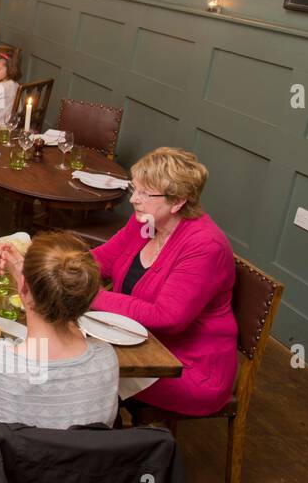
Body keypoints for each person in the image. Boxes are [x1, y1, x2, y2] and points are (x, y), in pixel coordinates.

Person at [0, 234, 119, 442]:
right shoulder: (106, 358)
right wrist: (27, 276)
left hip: (3, 474)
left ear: (24, 289)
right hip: (79, 473)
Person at [90, 147, 237, 415]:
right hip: (138, 342)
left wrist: (88, 296)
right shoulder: (147, 222)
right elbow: (101, 260)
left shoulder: (205, 246)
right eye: (134, 189)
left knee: (81, 369)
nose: (134, 199)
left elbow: (167, 317)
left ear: (178, 201)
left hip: (184, 367)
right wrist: (54, 267)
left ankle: (98, 445)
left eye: (145, 193)